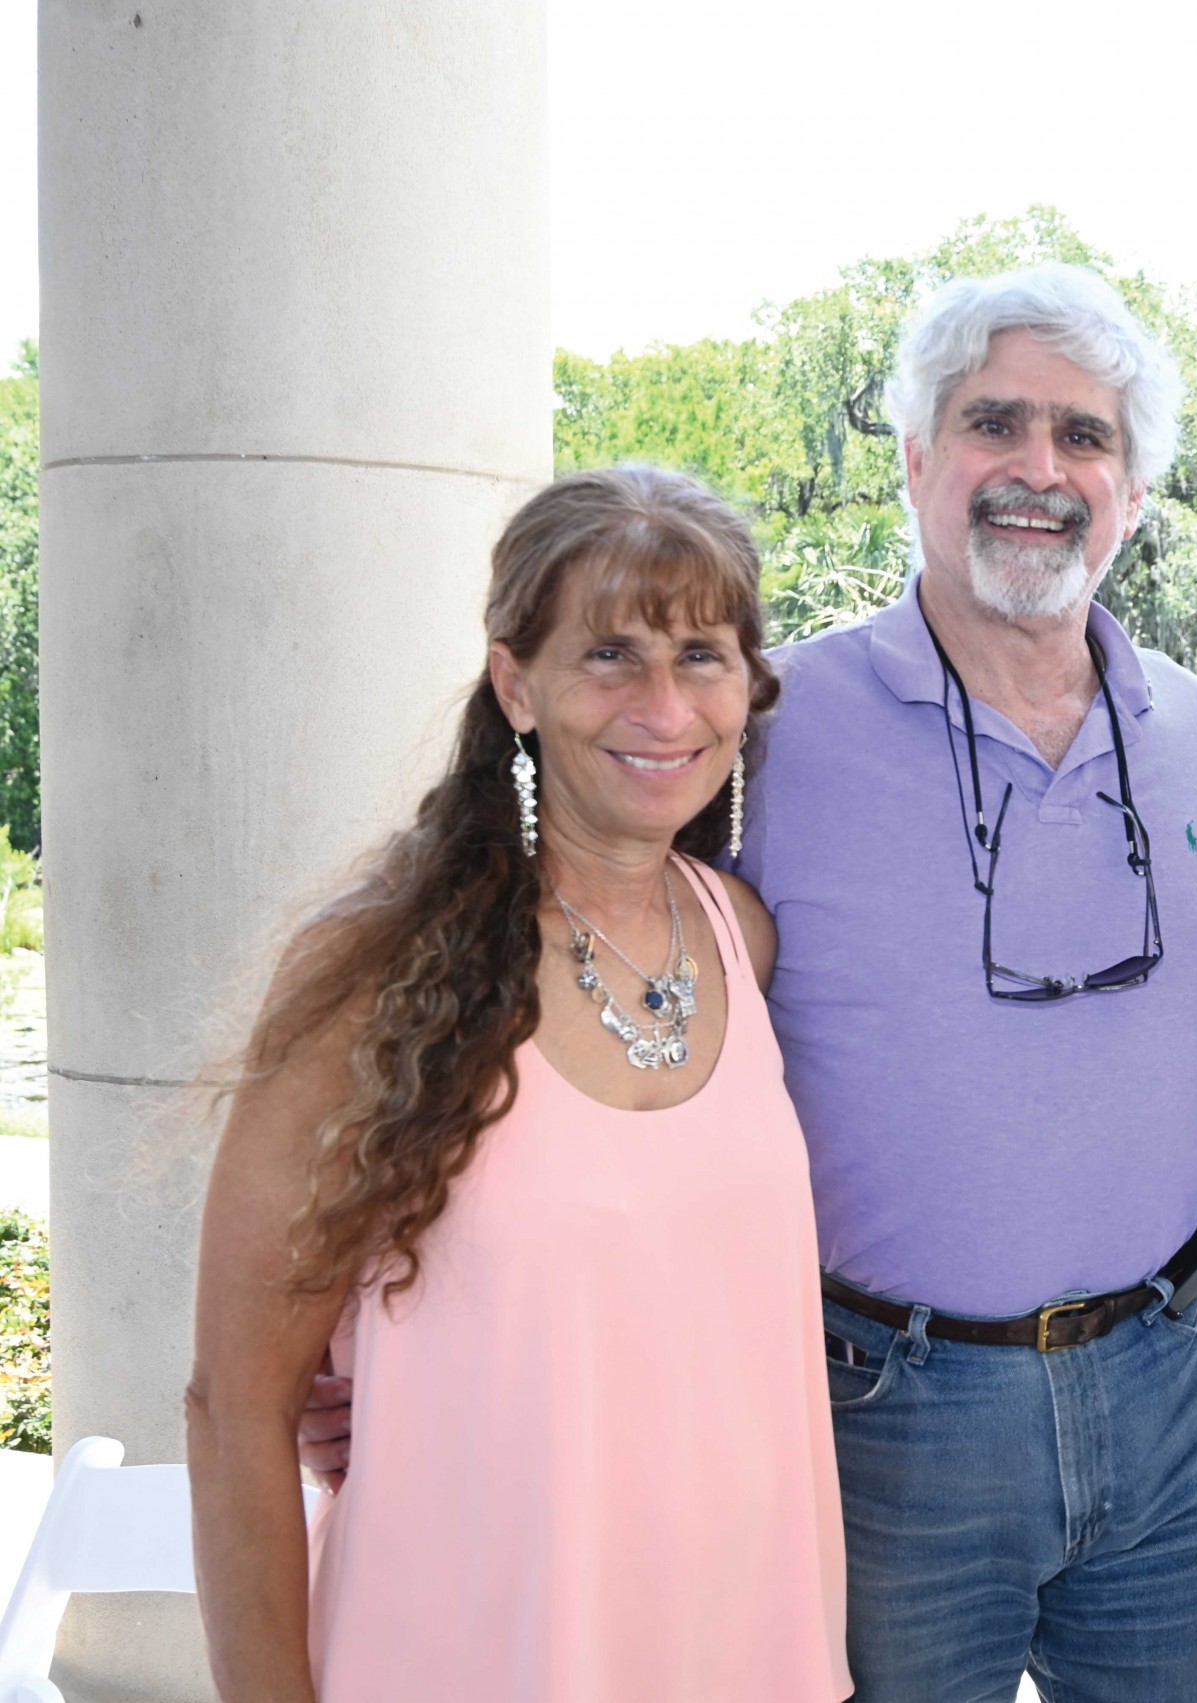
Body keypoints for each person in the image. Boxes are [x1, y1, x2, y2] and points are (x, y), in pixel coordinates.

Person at [295, 265, 1197, 1700]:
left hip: (1170, 1381)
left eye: (1087, 436)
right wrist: (365, 1317)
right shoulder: (764, 727)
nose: (1041, 469)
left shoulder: (1195, 725)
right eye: (995, 422)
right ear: (919, 458)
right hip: (890, 1405)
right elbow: (570, 972)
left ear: (1136, 484)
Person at [189, 467, 849, 1702]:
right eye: (610, 653)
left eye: (702, 654)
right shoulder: (376, 972)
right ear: (515, 684)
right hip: (465, 1656)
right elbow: (233, 1408)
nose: (664, 704)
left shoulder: (741, 939)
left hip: (743, 1654)